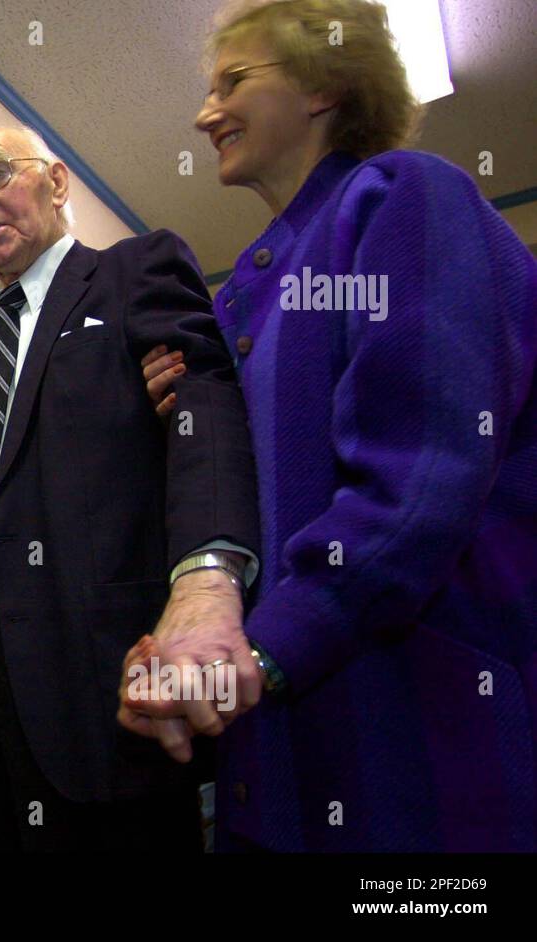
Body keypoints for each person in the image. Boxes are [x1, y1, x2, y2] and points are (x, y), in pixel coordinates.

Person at [126, 0, 537, 852]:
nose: (205, 113)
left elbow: (423, 476)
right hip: (277, 743)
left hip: (412, 735)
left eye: (233, 82)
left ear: (320, 86)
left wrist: (264, 655)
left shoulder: (408, 193)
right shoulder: (238, 293)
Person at [0, 125, 259, 852]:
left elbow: (205, 415)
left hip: (93, 660)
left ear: (57, 182)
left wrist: (210, 578)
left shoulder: (132, 270)